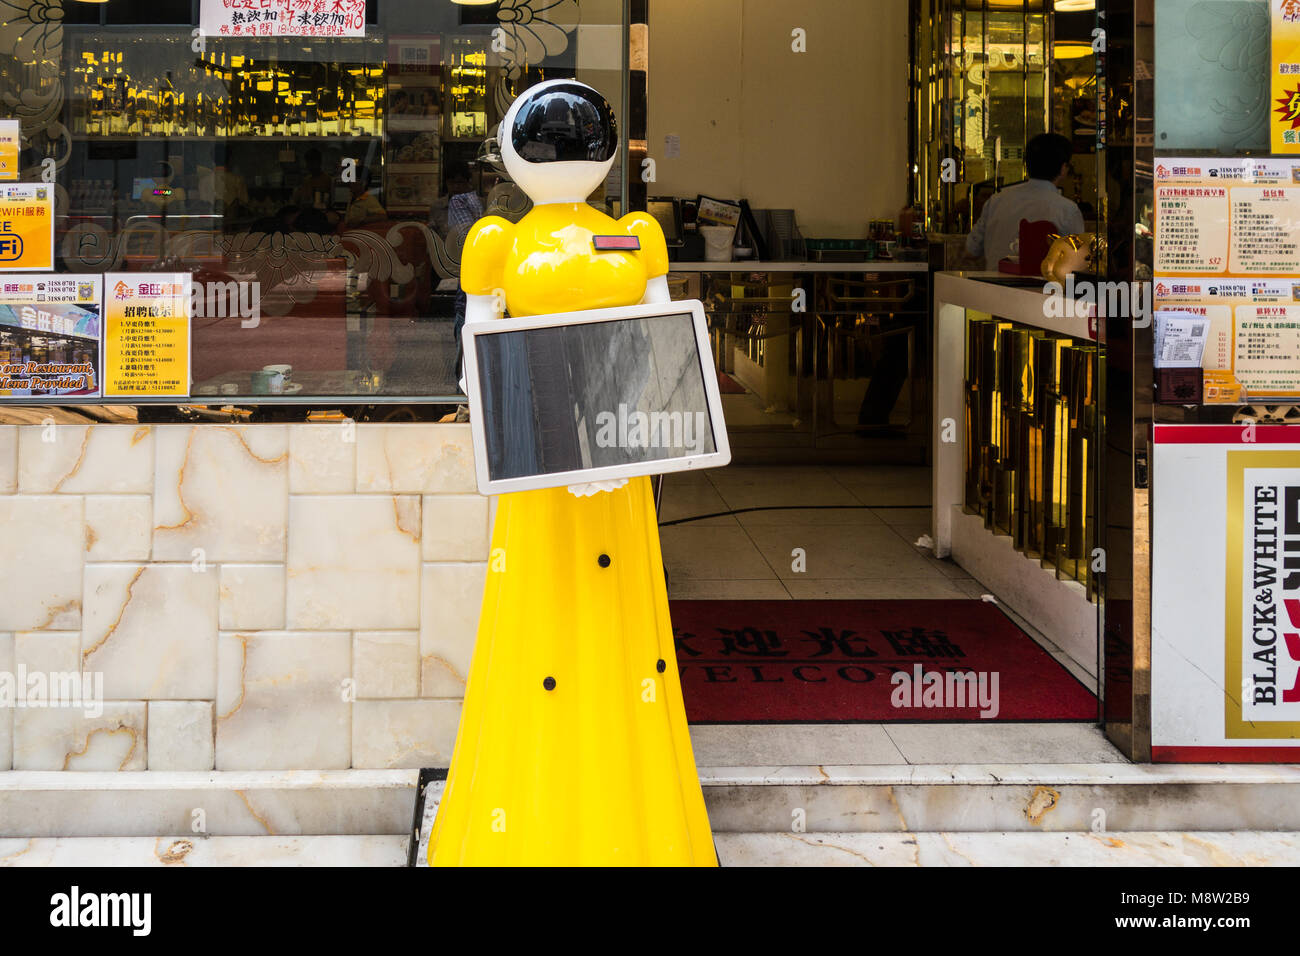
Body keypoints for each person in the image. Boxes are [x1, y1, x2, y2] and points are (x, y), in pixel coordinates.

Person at [427, 80, 715, 867]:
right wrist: (598, 436)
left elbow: (473, 373)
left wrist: (571, 437)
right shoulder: (617, 237)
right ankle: (627, 828)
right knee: (586, 620)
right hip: (584, 472)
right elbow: (657, 353)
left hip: (569, 470)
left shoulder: (519, 243)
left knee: (557, 616)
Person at [965, 132, 1085, 270]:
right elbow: (1078, 262)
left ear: (1026, 164)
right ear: (1063, 168)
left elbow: (971, 250)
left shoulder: (996, 201)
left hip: (992, 288)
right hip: (1041, 290)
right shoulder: (1067, 210)